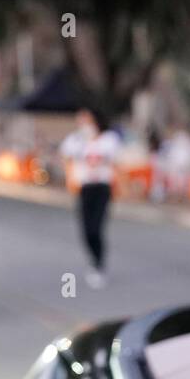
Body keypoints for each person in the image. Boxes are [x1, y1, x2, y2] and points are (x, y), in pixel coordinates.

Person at [60, 107, 121, 289]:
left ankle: (98, 264)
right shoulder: (75, 141)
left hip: (102, 187)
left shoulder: (109, 140)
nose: (84, 125)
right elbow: (66, 157)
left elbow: (116, 162)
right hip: (85, 188)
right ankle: (93, 259)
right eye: (81, 121)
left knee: (96, 227)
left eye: (87, 121)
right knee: (86, 230)